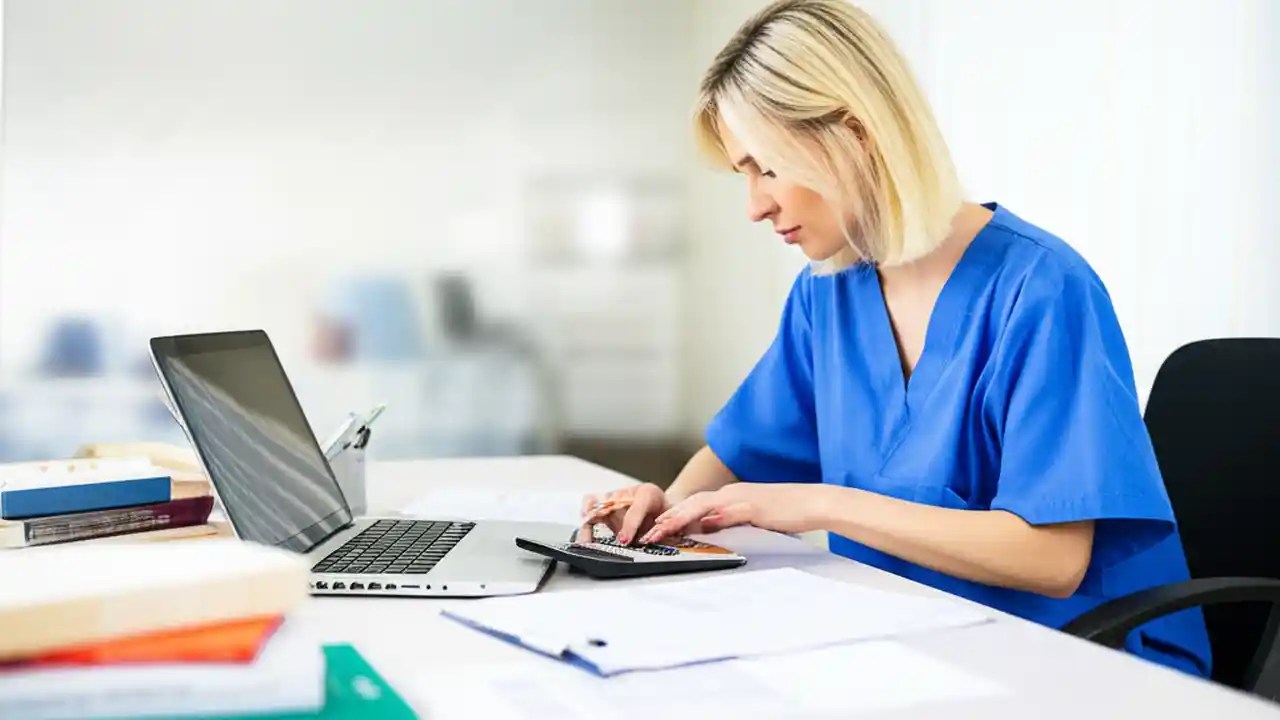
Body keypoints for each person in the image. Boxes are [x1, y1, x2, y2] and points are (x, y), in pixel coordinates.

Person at [579, 0, 1210, 677]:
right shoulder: (828, 292)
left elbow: (1052, 560)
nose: (755, 206)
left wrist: (820, 503)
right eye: (744, 174)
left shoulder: (1042, 288)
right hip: (909, 637)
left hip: (1082, 657)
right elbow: (739, 453)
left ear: (853, 134)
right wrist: (662, 514)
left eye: (766, 167)